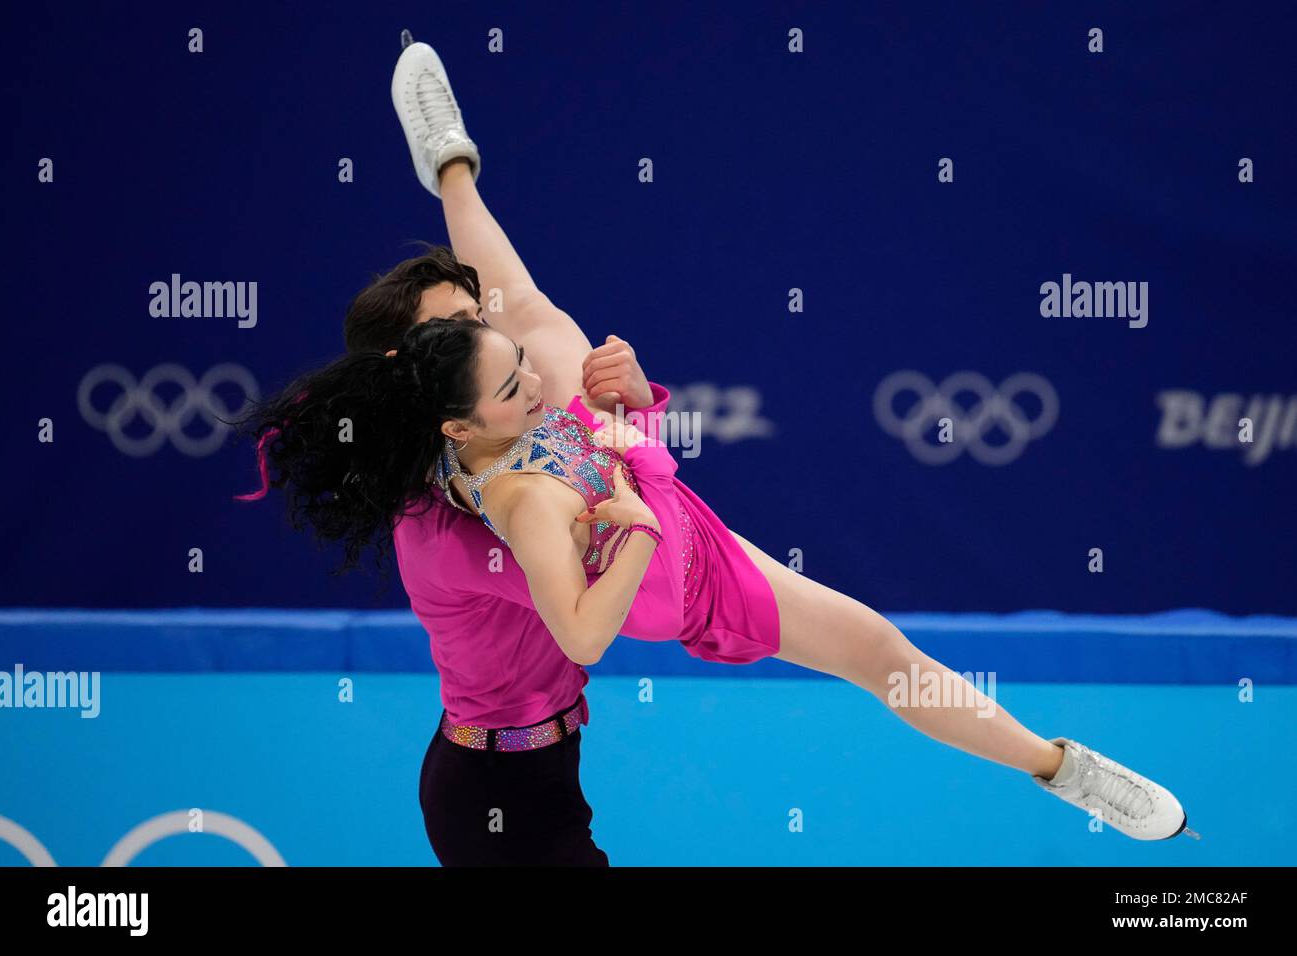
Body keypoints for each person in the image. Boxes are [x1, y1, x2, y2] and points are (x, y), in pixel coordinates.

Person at [240, 37, 1196, 866]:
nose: (494, 326)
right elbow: (582, 619)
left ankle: (1060, 766)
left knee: (874, 645)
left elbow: (512, 293)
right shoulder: (461, 522)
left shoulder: (517, 374)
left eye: (481, 319)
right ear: (429, 387)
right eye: (466, 335)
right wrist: (622, 473)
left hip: (669, 582)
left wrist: (452, 169)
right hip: (551, 709)